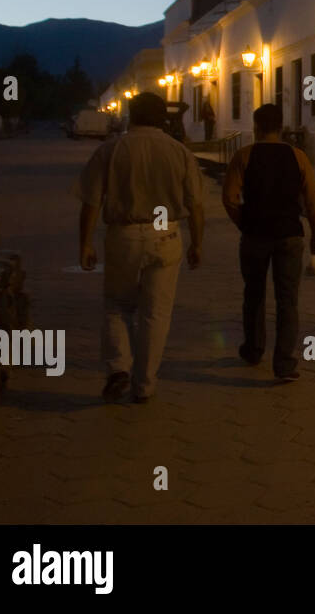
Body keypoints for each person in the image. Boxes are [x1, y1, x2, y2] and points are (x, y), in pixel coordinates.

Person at [74, 92, 204, 403]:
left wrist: (86, 244)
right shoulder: (179, 152)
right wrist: (197, 243)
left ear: (131, 115)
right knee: (156, 314)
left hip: (124, 235)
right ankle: (144, 385)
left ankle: (119, 366)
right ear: (163, 118)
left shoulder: (112, 148)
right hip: (166, 234)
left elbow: (91, 202)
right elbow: (195, 204)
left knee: (117, 305)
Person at [222, 102, 315, 381]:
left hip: (255, 235)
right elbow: (313, 201)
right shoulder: (298, 157)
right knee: (287, 300)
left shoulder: (244, 155)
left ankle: (254, 349)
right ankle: (284, 363)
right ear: (281, 128)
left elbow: (230, 197)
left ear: (256, 127)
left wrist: (244, 222)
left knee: (253, 294)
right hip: (290, 235)